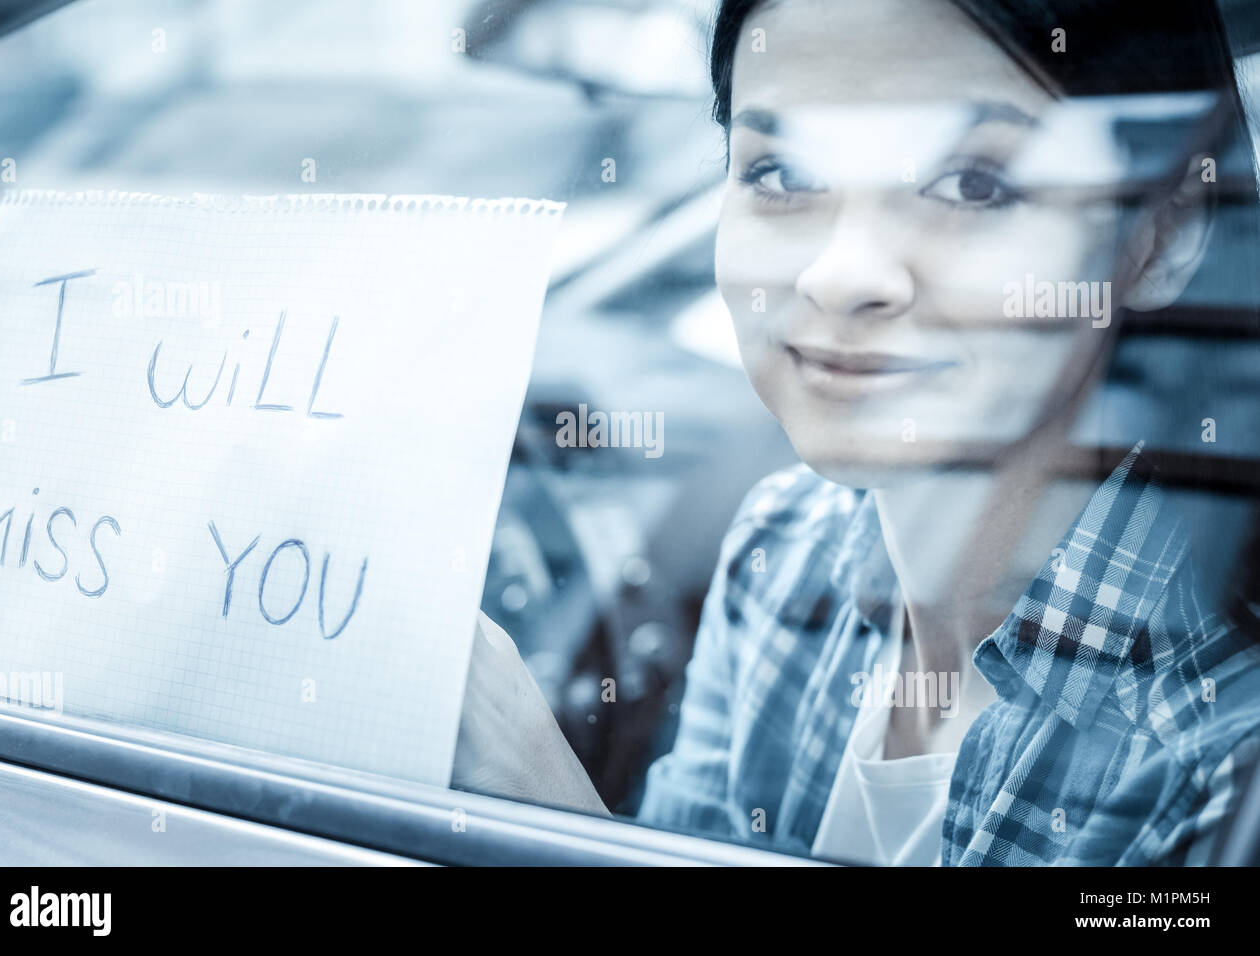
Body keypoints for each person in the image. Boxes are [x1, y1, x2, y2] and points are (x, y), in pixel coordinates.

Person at [452, 0, 1260, 865]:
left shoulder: (1217, 754)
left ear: (1165, 232)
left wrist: (546, 817)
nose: (840, 274)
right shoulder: (785, 546)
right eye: (782, 175)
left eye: (971, 184)